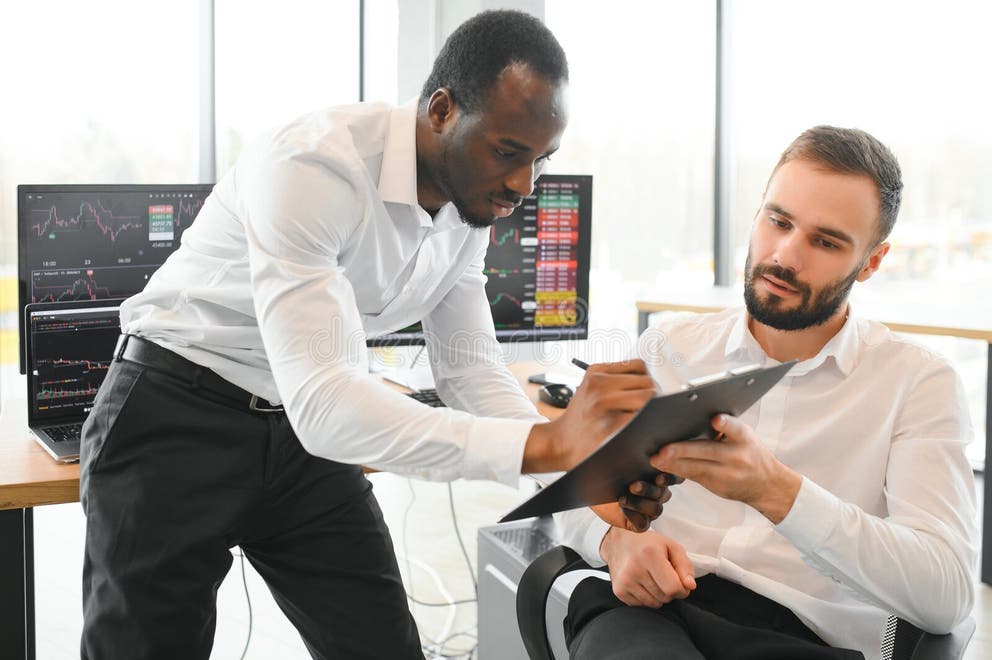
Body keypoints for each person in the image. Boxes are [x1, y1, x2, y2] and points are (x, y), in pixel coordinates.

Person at [79, 10, 667, 660]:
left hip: (294, 435)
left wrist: (586, 481)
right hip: (175, 411)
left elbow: (470, 372)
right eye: (508, 152)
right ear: (442, 110)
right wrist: (547, 442)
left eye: (540, 160)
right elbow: (327, 403)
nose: (523, 186)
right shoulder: (313, 165)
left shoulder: (470, 206)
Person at [556, 126, 978, 660]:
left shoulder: (918, 385)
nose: (784, 256)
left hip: (802, 634)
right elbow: (575, 493)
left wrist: (776, 491)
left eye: (825, 242)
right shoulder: (671, 346)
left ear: (870, 262)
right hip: (647, 616)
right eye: (778, 221)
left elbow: (945, 594)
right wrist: (614, 542)